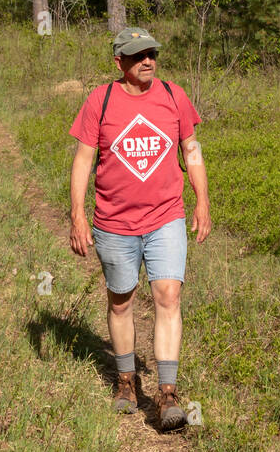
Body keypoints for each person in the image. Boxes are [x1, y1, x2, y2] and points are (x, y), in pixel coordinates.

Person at [68, 28, 212, 431]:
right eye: (137, 56)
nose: (147, 61)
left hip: (166, 216)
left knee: (168, 295)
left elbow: (192, 150)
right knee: (121, 301)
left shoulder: (173, 95)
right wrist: (77, 215)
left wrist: (202, 200)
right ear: (119, 62)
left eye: (151, 54)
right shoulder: (102, 100)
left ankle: (167, 393)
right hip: (114, 222)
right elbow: (83, 159)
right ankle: (127, 380)